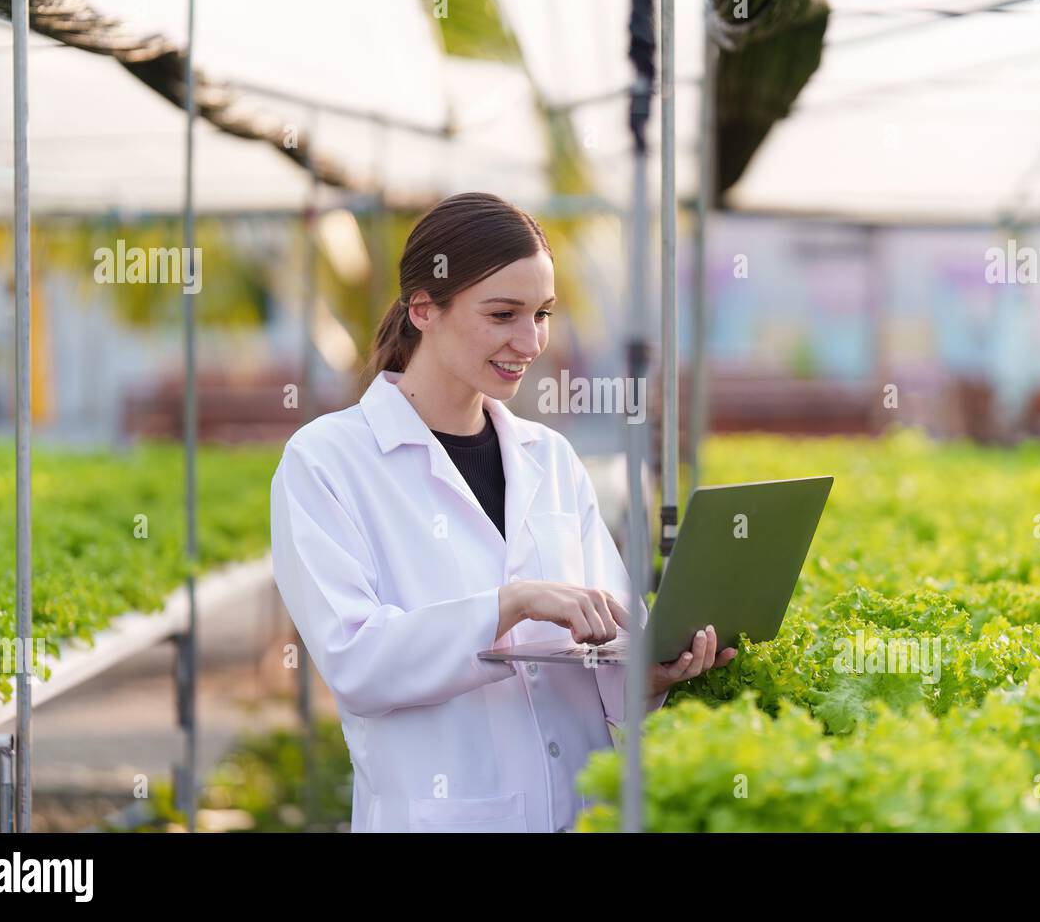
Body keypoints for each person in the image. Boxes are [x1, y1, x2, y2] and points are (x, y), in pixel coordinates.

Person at [270, 191, 735, 832]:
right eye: (503, 314)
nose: (530, 340)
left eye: (542, 313)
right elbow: (356, 662)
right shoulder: (327, 461)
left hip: (580, 814)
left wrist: (649, 672)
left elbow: (607, 645)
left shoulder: (551, 458)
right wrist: (509, 604)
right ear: (424, 308)